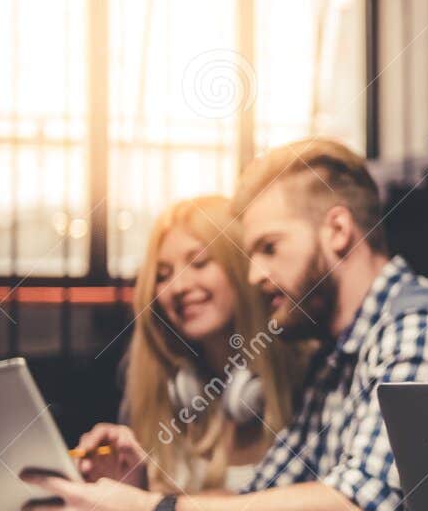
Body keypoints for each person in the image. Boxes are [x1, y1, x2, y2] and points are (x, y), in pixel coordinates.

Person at [24, 139, 428, 511]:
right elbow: (260, 502)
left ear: (337, 230)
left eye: (269, 248)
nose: (254, 275)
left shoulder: (422, 328)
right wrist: (139, 497)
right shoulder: (336, 357)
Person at [71, 195, 304, 495]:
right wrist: (133, 487)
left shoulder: (309, 379)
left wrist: (157, 507)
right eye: (163, 275)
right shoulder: (162, 389)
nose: (179, 287)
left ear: (242, 266)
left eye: (199, 263)